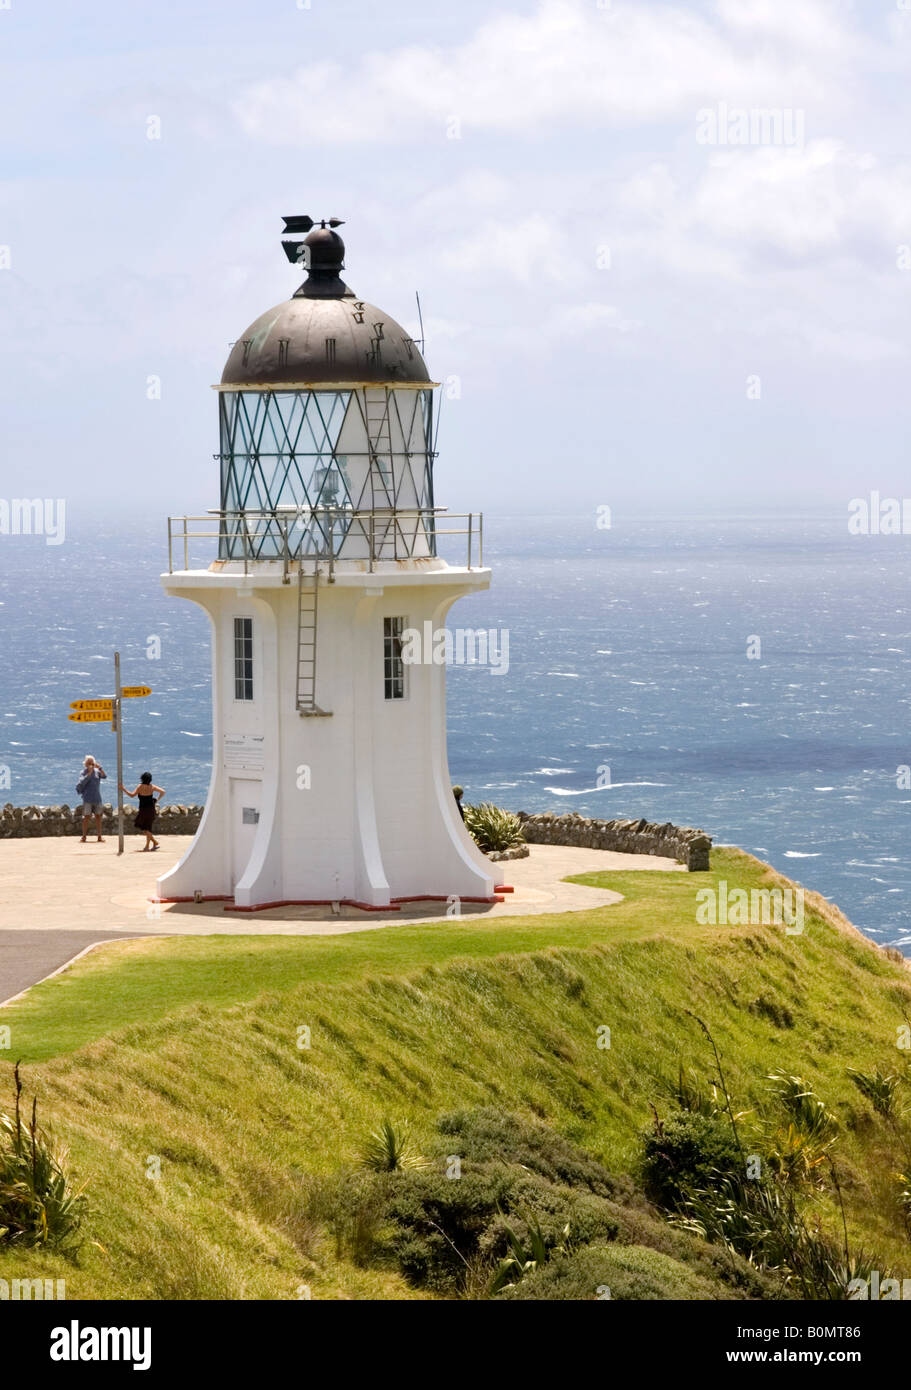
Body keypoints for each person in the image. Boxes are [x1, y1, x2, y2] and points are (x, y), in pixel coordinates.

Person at [120, 771, 165, 851]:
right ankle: (148, 846)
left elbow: (132, 795)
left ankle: (154, 842)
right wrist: (157, 800)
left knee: (143, 827)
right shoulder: (152, 787)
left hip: (143, 809)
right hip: (151, 809)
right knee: (148, 827)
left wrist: (124, 789)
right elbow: (163, 792)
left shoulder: (140, 786)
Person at [76, 755, 107, 842]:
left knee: (98, 817)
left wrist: (100, 768)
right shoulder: (83, 772)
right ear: (85, 764)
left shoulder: (97, 772)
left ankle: (99, 836)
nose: (90, 765)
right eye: (89, 763)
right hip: (87, 799)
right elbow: (81, 783)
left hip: (97, 798)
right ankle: (84, 836)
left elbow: (104, 776)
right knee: (86, 817)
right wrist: (89, 774)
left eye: (92, 763)